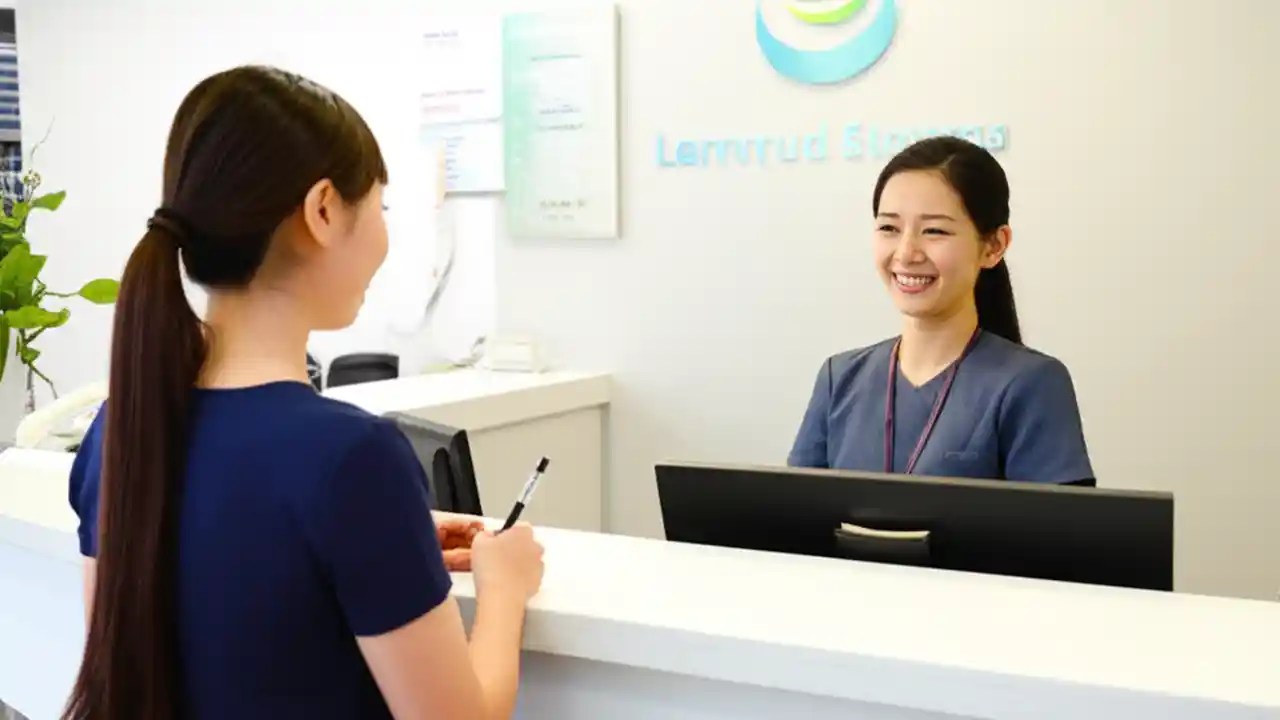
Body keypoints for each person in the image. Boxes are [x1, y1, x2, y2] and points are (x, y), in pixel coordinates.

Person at [62, 66, 544, 720]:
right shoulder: (353, 456)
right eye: (380, 205)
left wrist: (392, 538)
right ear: (322, 211)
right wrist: (504, 590)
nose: (384, 232)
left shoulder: (120, 430)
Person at [788, 136, 1094, 485]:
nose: (906, 253)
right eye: (889, 227)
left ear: (994, 246)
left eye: (934, 231)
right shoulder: (838, 379)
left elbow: (1058, 534)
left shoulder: (1031, 383)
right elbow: (794, 522)